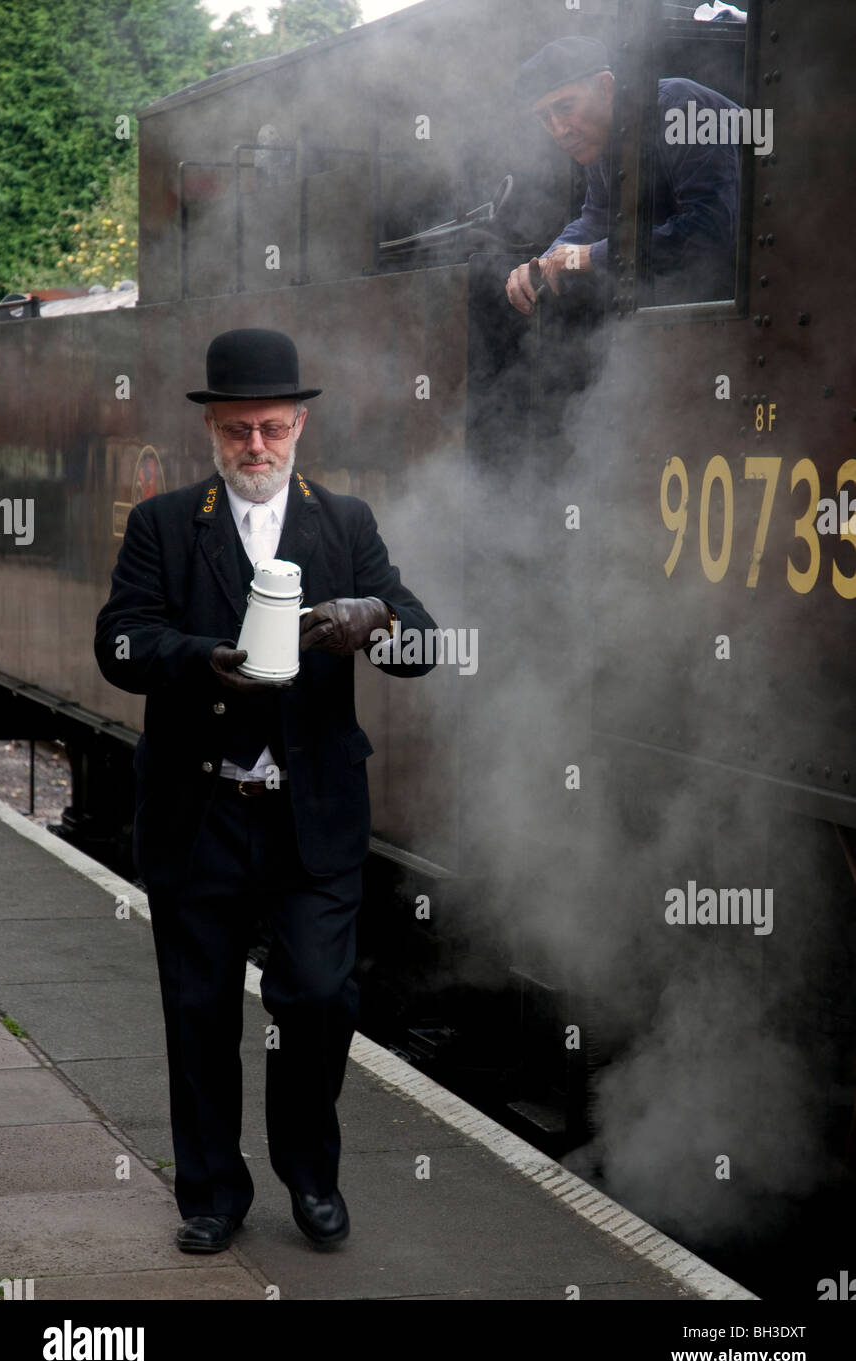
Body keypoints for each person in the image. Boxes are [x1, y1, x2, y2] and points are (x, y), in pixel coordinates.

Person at [95, 328, 437, 1254]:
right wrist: (204, 661)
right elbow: (118, 644)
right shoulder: (165, 523)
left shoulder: (346, 524)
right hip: (197, 812)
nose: (256, 446)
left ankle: (310, 1176)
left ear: (298, 429)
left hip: (311, 814)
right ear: (212, 427)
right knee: (199, 1011)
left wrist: (376, 621)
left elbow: (424, 646)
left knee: (319, 1000)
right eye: (239, 428)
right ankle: (211, 1194)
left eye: (273, 429)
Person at [505, 36, 741, 313]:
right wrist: (544, 263)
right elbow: (597, 219)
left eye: (566, 107)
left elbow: (711, 228)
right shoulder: (602, 138)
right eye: (545, 118)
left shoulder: (681, 108)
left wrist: (592, 255)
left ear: (606, 88)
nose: (559, 130)